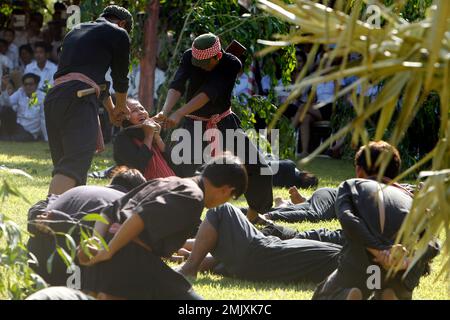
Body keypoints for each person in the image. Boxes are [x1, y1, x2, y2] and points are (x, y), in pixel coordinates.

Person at [78, 154, 248, 300]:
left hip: (107, 259)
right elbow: (140, 217)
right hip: (129, 261)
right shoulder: (193, 197)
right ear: (226, 190)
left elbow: (109, 210)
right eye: (230, 197)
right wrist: (108, 251)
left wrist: (98, 241)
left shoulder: (168, 181)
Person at [157, 32, 273, 223]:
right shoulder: (189, 56)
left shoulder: (231, 63)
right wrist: (165, 111)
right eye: (198, 64)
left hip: (224, 123)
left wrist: (179, 113)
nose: (201, 68)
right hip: (193, 124)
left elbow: (209, 92)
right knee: (181, 172)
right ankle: (179, 218)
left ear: (217, 56)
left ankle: (253, 218)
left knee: (259, 168)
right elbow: (177, 84)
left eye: (205, 64)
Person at [312, 141, 440, 300]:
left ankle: (347, 294)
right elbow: (433, 243)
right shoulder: (410, 197)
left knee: (324, 294)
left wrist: (380, 250)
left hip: (359, 266)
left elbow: (348, 219)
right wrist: (406, 261)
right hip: (398, 272)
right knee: (396, 290)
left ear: (359, 171)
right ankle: (391, 293)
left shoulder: (351, 185)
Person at [44, 5, 133, 195]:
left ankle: (66, 213)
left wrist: (110, 110)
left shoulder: (75, 32)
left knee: (65, 163)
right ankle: (47, 216)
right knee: (73, 164)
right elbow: (120, 78)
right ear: (123, 24)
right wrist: (121, 107)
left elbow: (96, 81)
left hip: (55, 97)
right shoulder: (118, 33)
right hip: (78, 97)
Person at [26, 167, 146, 286]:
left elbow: (36, 210)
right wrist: (63, 223)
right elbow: (101, 231)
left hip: (37, 257)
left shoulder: (77, 190)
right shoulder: (126, 205)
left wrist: (44, 220)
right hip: (75, 263)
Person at [177, 203, 341, 284]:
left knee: (221, 209)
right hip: (265, 268)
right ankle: (184, 255)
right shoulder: (346, 259)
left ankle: (189, 267)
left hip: (264, 253)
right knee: (230, 254)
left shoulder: (348, 256)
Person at [113, 98, 175, 180]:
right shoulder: (122, 139)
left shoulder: (154, 133)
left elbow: (173, 163)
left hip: (169, 183)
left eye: (142, 108)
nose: (141, 112)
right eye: (134, 111)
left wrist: (157, 137)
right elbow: (138, 166)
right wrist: (148, 136)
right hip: (143, 187)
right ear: (124, 118)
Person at [0, 73, 47, 141]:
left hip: (30, 132)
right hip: (17, 126)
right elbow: (6, 104)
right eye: (25, 84)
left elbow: (43, 119)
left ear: (36, 85)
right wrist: (4, 90)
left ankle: (4, 137)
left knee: (16, 138)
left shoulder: (42, 97)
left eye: (30, 84)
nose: (28, 86)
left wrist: (46, 139)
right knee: (4, 109)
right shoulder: (20, 92)